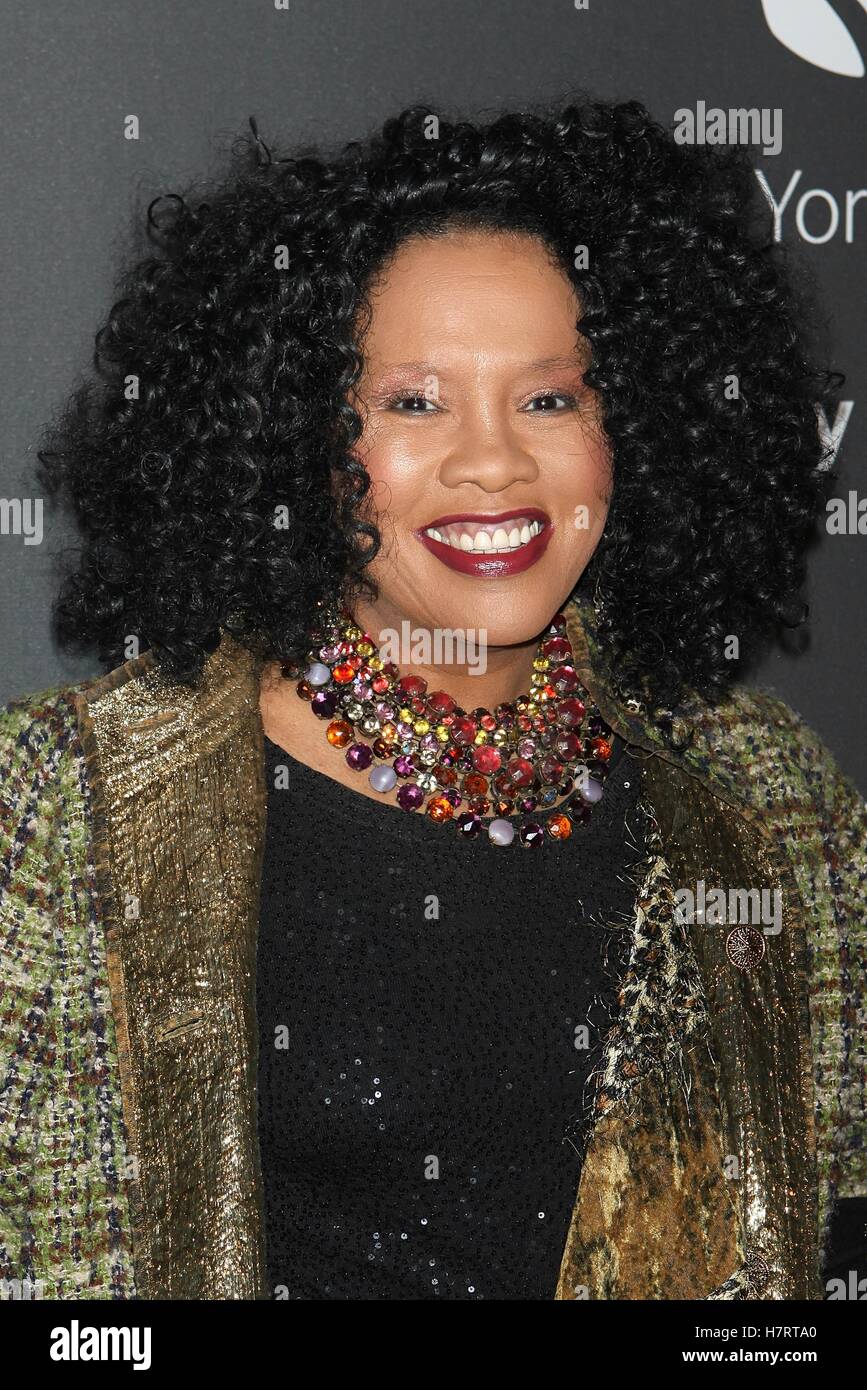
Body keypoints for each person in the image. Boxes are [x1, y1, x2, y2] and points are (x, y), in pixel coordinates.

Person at [1, 99, 864, 1301]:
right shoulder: (64, 804)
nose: (495, 460)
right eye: (414, 402)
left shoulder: (767, 798)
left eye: (552, 398)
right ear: (294, 438)